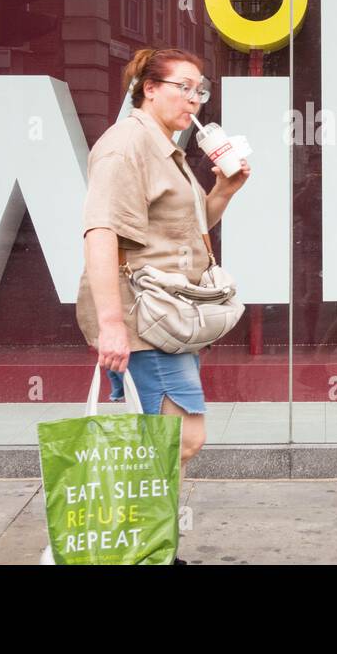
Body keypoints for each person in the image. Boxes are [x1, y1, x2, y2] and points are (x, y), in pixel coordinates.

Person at [77, 47, 251, 464]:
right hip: (142, 320)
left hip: (166, 314)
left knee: (156, 441)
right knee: (179, 440)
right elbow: (100, 233)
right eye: (184, 87)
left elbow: (187, 228)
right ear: (149, 89)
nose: (194, 99)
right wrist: (113, 326)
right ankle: (136, 526)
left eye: (200, 91)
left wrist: (225, 191)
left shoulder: (164, 149)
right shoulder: (126, 146)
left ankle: (139, 526)